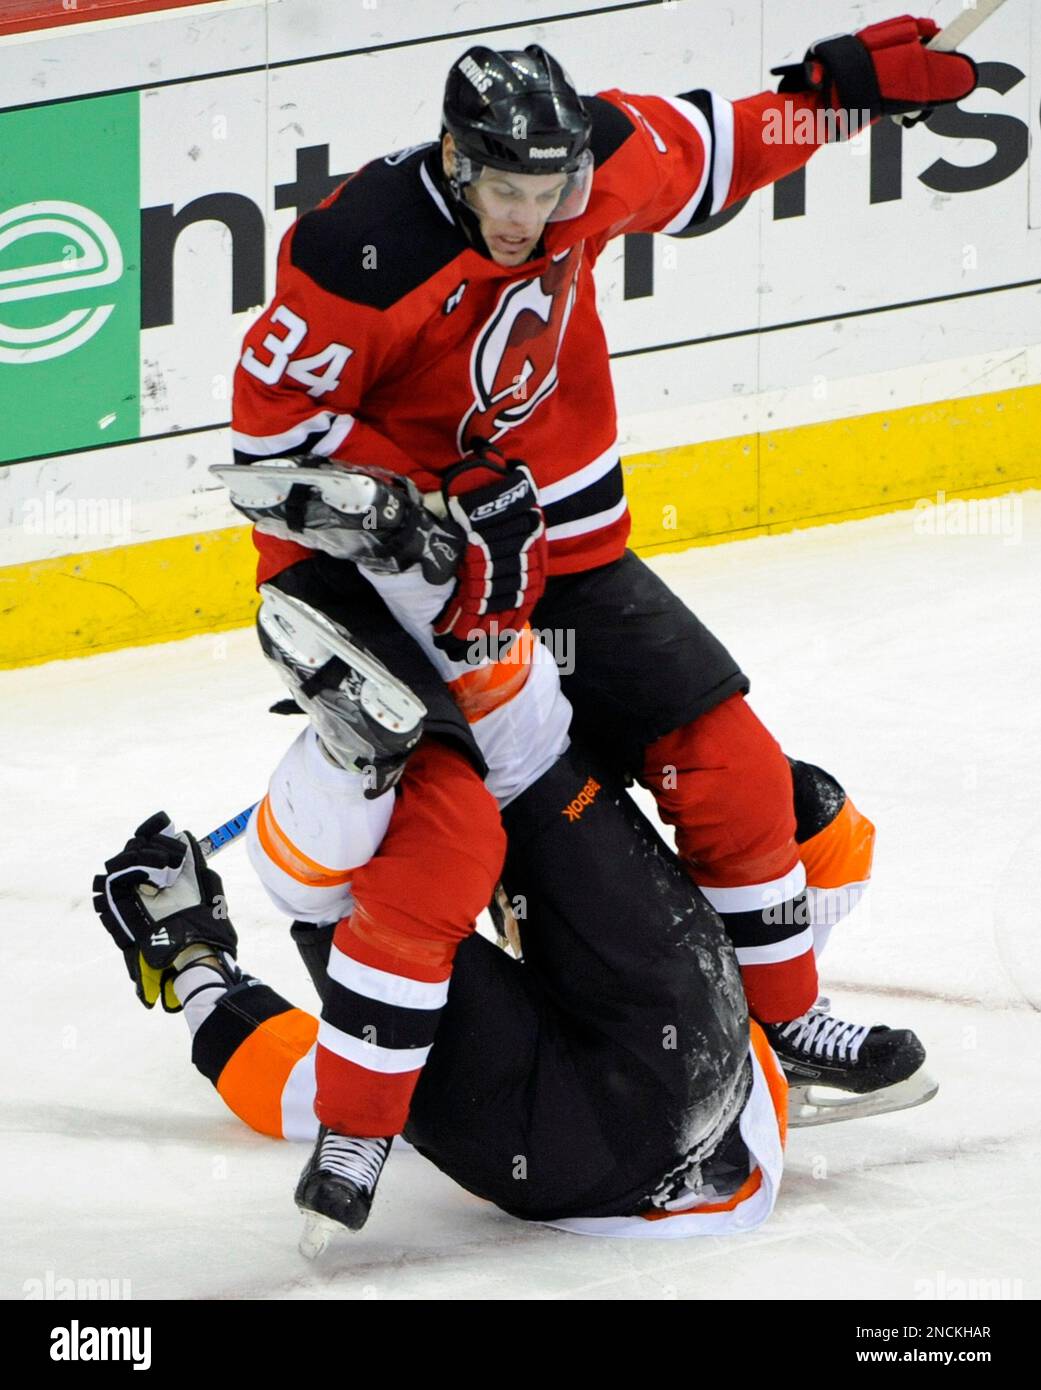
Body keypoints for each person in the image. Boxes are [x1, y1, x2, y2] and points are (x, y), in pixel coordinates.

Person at [223, 21, 977, 1055]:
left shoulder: (600, 160)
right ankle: (377, 1056)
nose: (529, 221)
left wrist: (838, 99)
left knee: (733, 763)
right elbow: (274, 448)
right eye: (505, 195)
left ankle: (788, 1024)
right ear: (456, 161)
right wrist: (440, 494)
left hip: (559, 549)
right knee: (452, 831)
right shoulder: (364, 249)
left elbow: (723, 151)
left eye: (550, 195)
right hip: (406, 586)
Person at [93, 522, 932, 1249]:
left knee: (361, 902)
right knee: (495, 811)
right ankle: (412, 738)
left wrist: (195, 963)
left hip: (573, 1145)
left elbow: (300, 1089)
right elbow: (816, 825)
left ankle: (356, 767)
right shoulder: (708, 917)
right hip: (676, 1077)